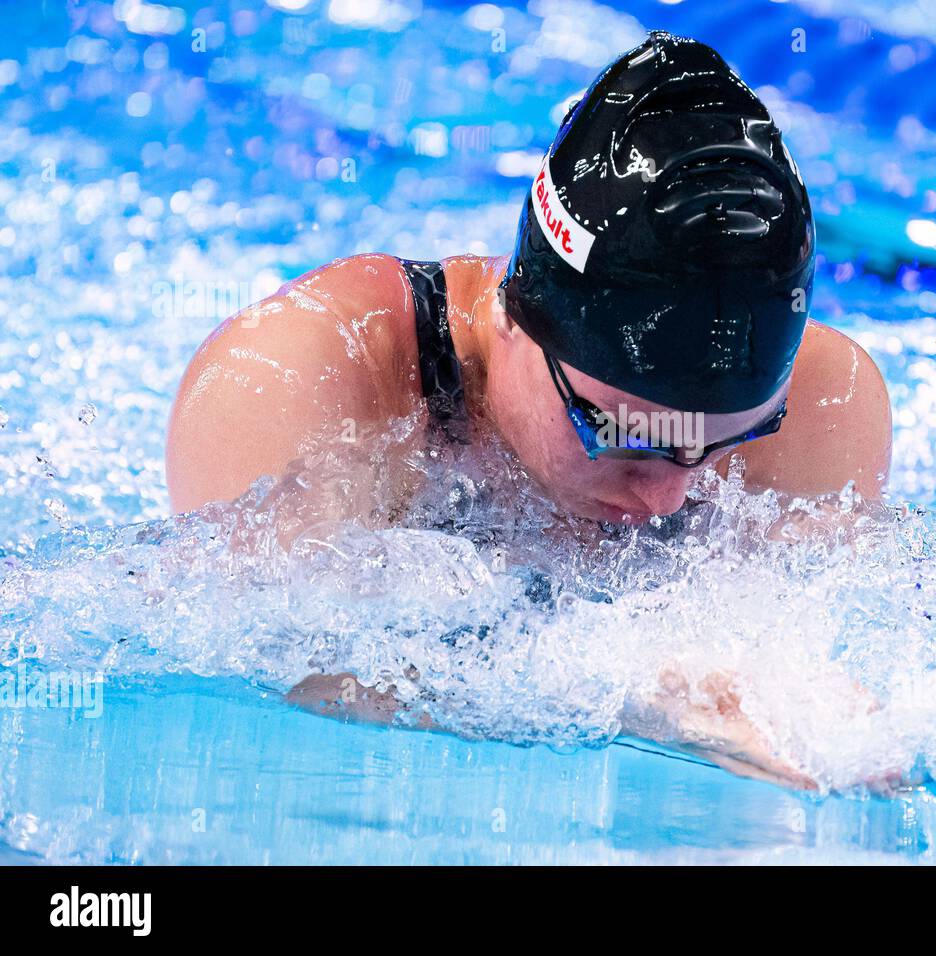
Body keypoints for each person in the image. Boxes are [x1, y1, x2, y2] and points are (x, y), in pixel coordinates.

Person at [165, 31, 894, 790]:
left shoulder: (823, 405)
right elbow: (276, 680)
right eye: (624, 435)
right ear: (518, 313)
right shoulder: (305, 373)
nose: (669, 495)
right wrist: (633, 694)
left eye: (730, 441)